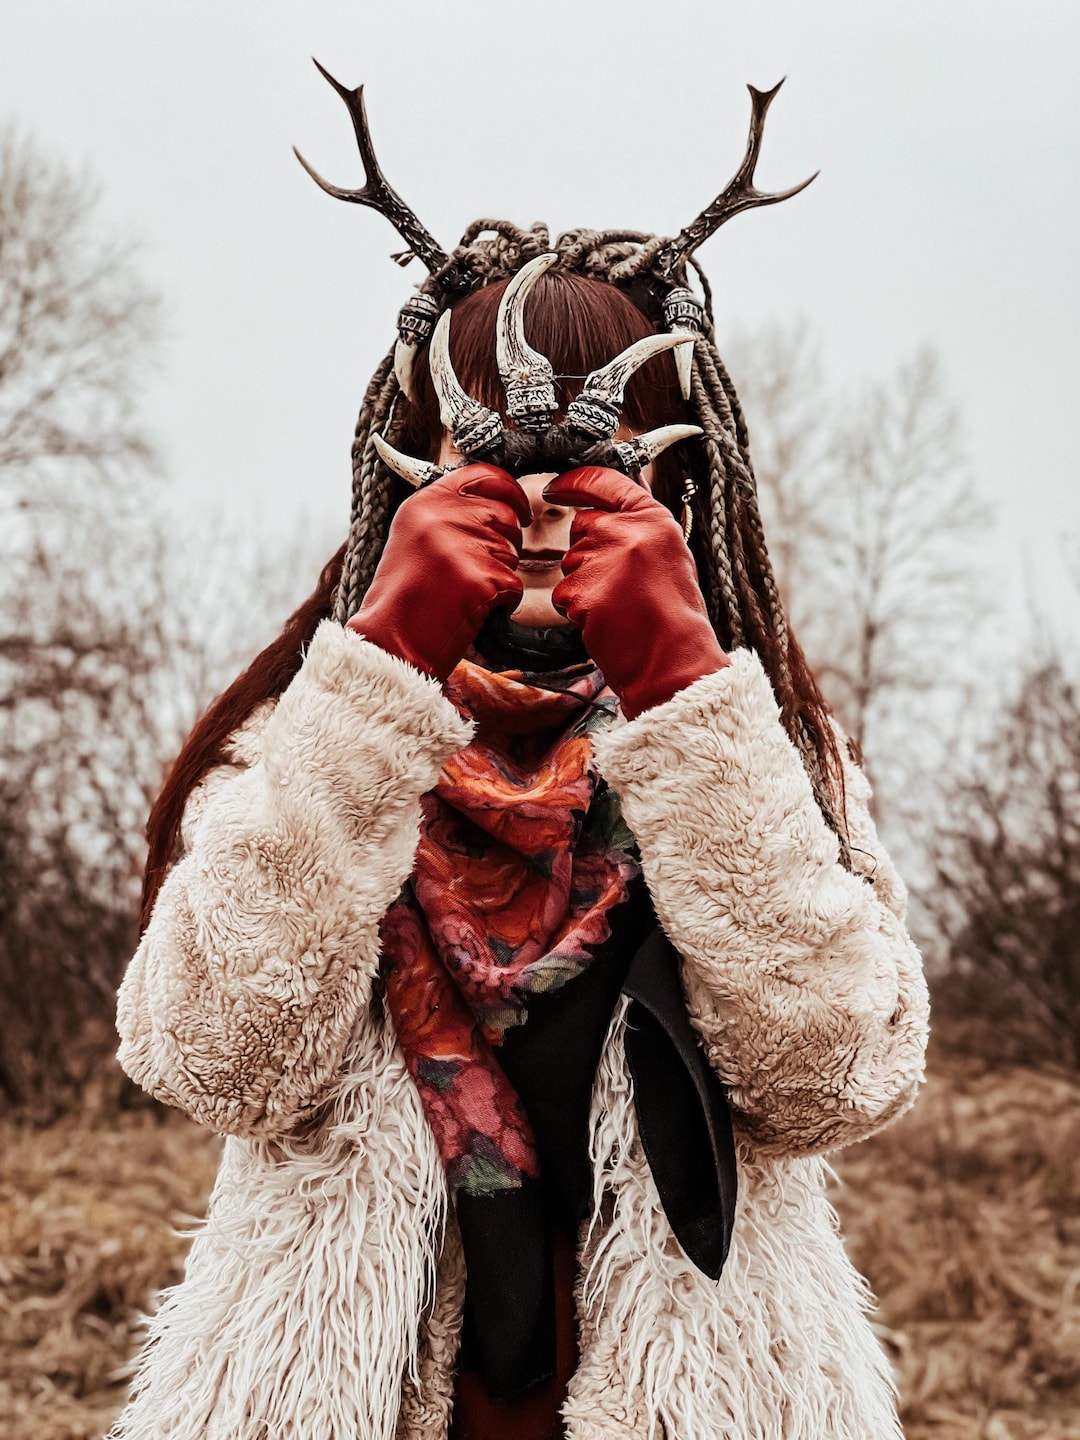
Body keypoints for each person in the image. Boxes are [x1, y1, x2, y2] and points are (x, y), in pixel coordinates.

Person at [110, 69, 929, 1440]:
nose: (543, 503)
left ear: (676, 482)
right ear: (414, 471)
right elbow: (212, 1058)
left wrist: (685, 692)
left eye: (595, 464)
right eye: (489, 461)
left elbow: (831, 1077)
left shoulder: (769, 756)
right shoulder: (302, 745)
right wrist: (379, 667)